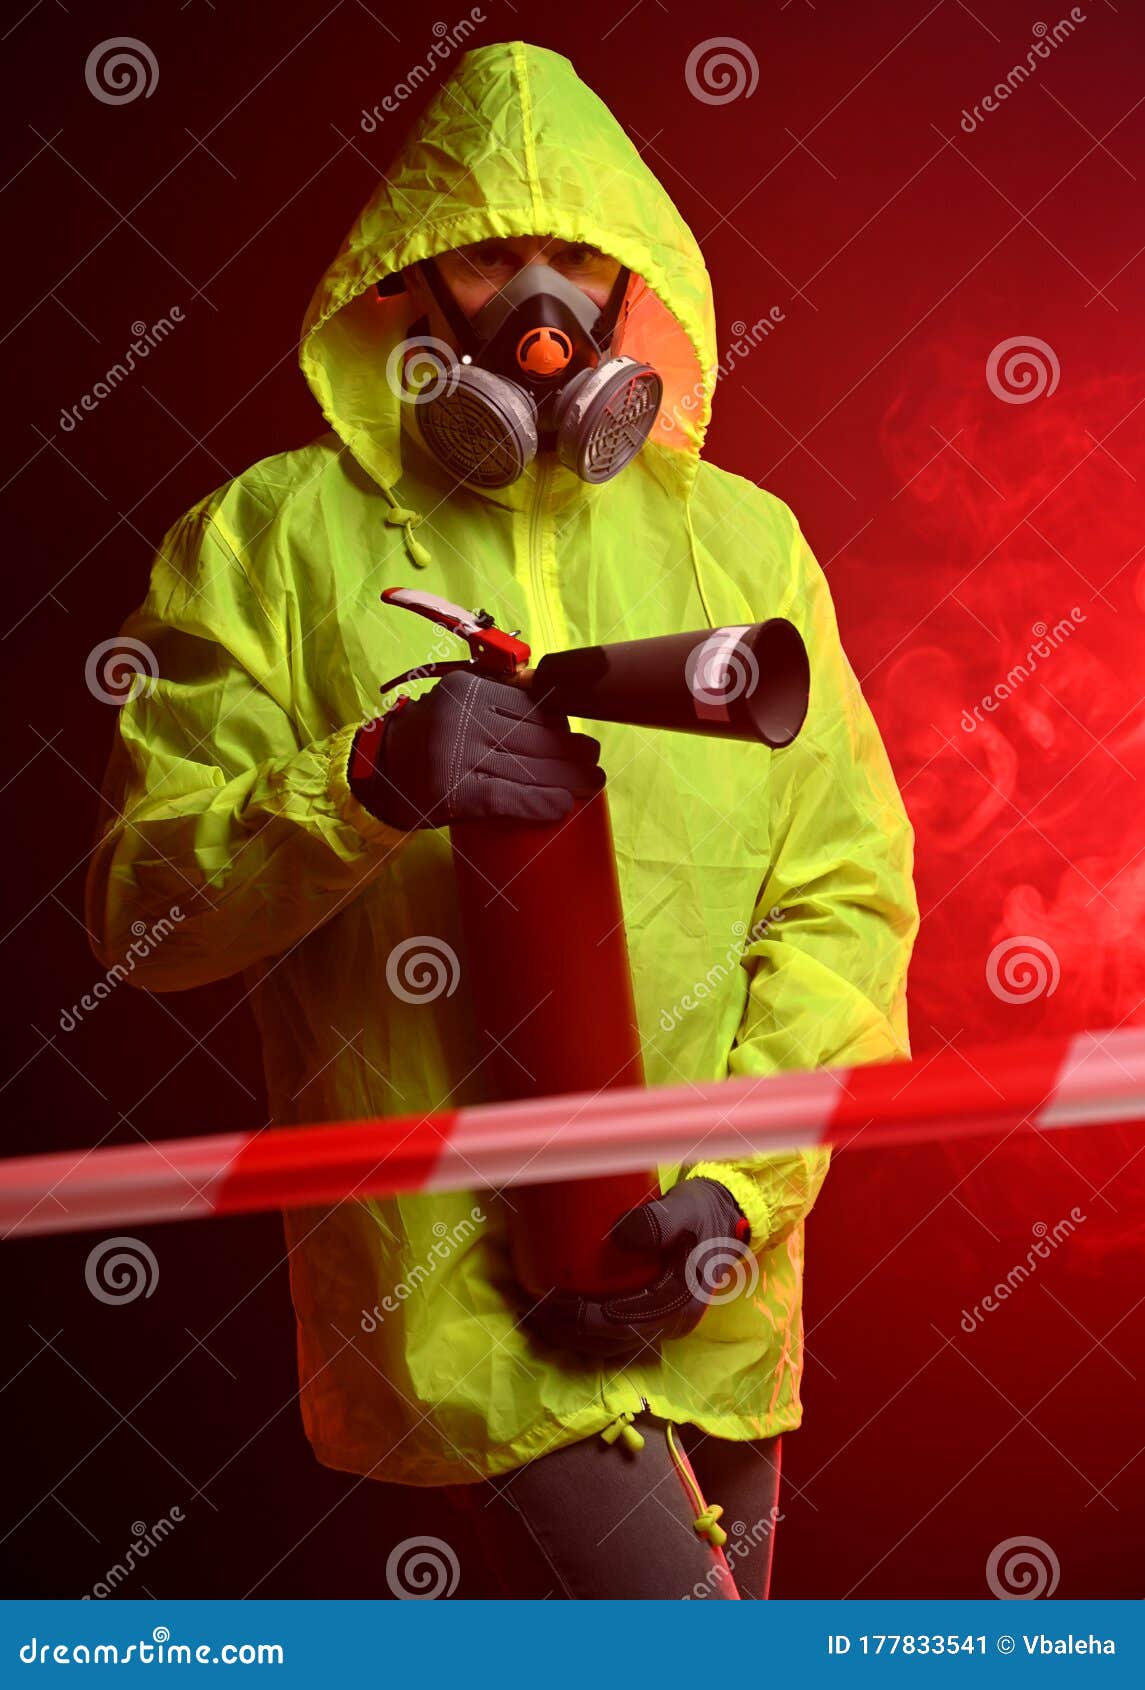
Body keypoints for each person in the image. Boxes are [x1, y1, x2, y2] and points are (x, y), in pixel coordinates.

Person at [85, 40, 918, 1599]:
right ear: (412, 287)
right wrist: (364, 781)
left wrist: (731, 1185)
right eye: (488, 256)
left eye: (575, 259)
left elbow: (846, 906)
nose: (539, 309)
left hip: (708, 1276)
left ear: (629, 282)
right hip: (455, 1305)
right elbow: (141, 917)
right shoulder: (273, 539)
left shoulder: (744, 547)